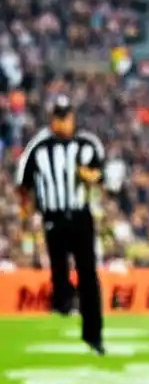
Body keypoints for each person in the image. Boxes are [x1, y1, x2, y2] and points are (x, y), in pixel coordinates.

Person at [14, 95, 106, 355]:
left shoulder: (87, 143)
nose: (63, 122)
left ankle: (93, 334)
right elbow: (23, 182)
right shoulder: (38, 147)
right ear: (52, 119)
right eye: (58, 117)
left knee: (88, 274)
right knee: (59, 268)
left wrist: (91, 176)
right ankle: (64, 301)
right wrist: (26, 212)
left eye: (66, 117)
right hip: (52, 216)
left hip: (79, 214)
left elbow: (100, 173)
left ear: (73, 118)